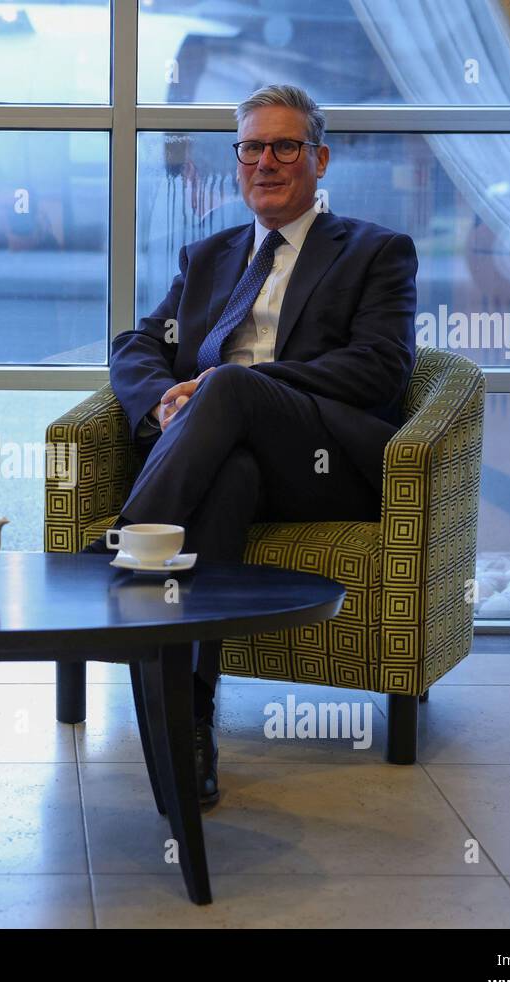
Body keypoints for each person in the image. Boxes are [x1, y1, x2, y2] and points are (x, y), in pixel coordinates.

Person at [101, 84, 417, 808]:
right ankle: (191, 720)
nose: (265, 162)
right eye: (252, 147)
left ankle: (119, 554)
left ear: (320, 158)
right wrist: (163, 397)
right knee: (230, 474)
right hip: (221, 456)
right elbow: (138, 344)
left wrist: (228, 384)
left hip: (324, 461)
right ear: (235, 158)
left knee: (233, 387)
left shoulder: (374, 251)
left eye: (285, 146)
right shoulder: (209, 254)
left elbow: (378, 368)